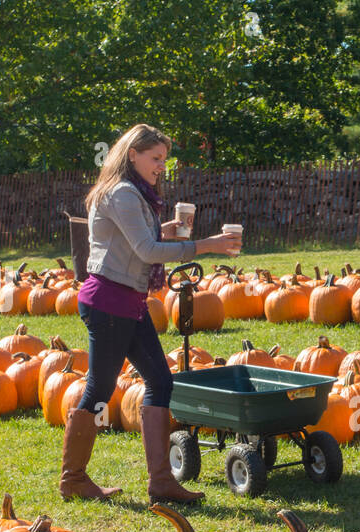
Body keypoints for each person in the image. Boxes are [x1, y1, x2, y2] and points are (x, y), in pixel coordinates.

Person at [62, 123, 240, 504]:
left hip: (127, 301)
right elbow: (144, 251)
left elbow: (136, 240)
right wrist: (204, 245)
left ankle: (160, 481)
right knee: (100, 387)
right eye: (156, 158)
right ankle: (73, 478)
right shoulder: (122, 193)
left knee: (160, 381)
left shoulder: (132, 193)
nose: (162, 166)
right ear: (133, 155)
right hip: (109, 301)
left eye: (164, 160)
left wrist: (168, 230)